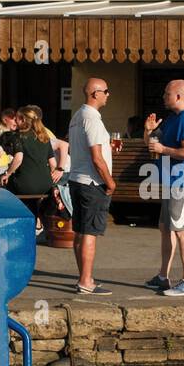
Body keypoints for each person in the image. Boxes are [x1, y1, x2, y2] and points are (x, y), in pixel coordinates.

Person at [143, 79, 184, 296]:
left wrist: (163, 148)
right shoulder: (172, 118)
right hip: (170, 181)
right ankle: (162, 277)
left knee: (182, 230)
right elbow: (151, 144)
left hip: (182, 182)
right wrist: (148, 131)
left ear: (178, 96)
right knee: (166, 228)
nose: (163, 97)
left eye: (167, 93)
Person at [67, 77, 115, 295]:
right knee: (89, 233)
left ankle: (84, 277)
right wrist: (110, 182)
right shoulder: (93, 119)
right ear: (95, 93)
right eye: (106, 90)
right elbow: (97, 158)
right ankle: (86, 281)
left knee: (80, 231)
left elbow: (75, 148)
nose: (108, 94)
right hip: (92, 182)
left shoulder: (77, 116)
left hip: (77, 180)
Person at [2, 107, 58, 224]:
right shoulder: (44, 138)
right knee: (31, 193)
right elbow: (53, 164)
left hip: (25, 184)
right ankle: (36, 220)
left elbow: (18, 158)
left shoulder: (18, 136)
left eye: (16, 118)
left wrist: (7, 174)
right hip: (45, 185)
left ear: (22, 120)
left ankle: (12, 222)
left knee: (2, 184)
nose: (15, 121)